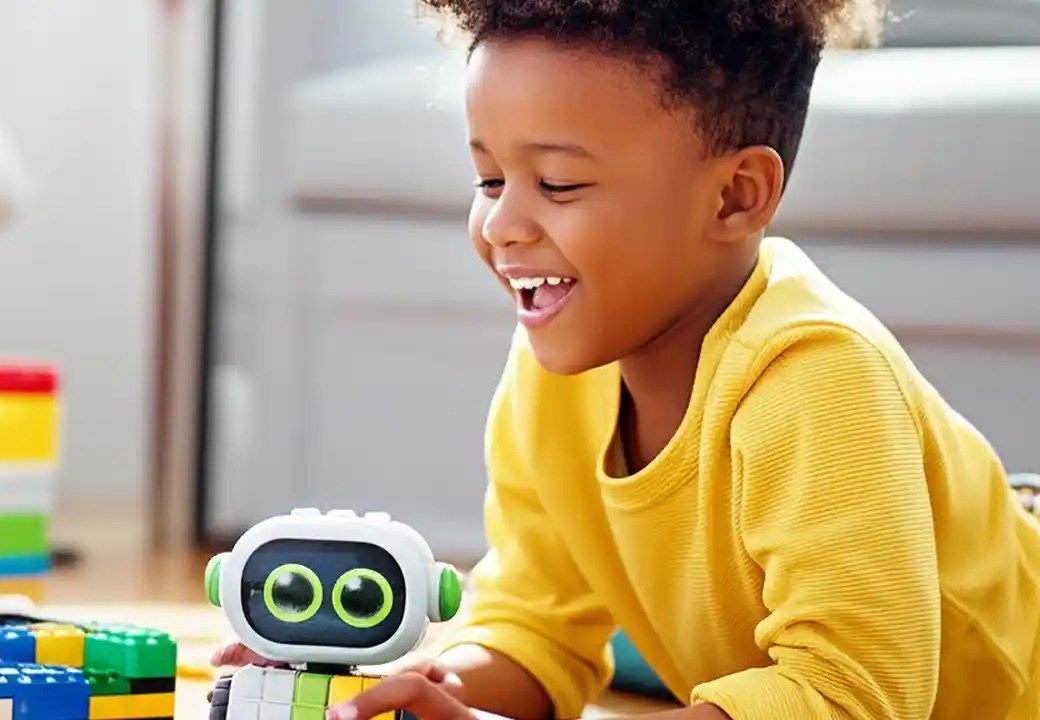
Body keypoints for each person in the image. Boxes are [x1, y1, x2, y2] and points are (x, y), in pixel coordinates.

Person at [212, 1, 1040, 717]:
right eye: (490, 179)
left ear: (735, 196)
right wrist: (407, 693)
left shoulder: (816, 374)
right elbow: (535, 621)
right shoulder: (552, 376)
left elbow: (852, 695)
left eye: (559, 186)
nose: (503, 226)